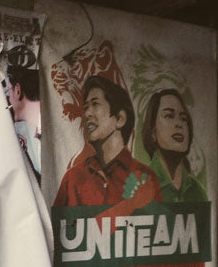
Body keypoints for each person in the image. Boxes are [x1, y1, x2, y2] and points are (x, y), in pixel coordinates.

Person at [53, 75, 161, 214]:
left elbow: (160, 231)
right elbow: (54, 230)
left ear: (120, 119)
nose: (86, 113)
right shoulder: (72, 178)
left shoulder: (146, 178)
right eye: (85, 107)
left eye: (95, 104)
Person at [140, 88, 207, 204]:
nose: (179, 124)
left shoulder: (198, 191)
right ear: (153, 133)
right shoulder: (139, 188)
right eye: (169, 116)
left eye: (183, 118)